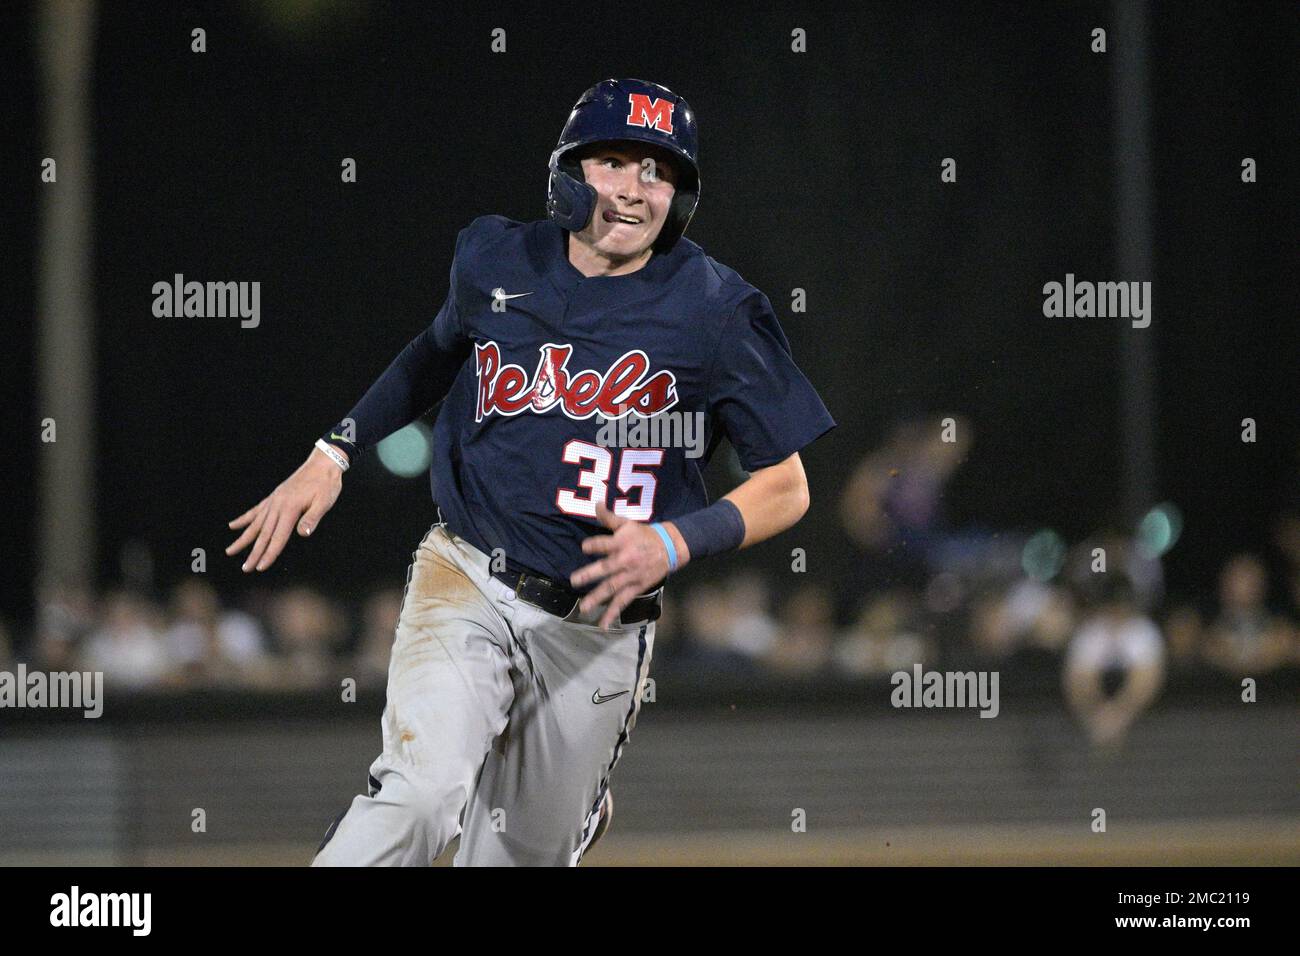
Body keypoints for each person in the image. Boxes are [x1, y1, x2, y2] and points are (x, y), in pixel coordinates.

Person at [227, 78, 835, 866]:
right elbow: (434, 355)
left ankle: (565, 809)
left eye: (658, 171)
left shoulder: (716, 310)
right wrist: (333, 450)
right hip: (470, 574)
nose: (634, 188)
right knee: (419, 800)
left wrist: (674, 543)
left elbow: (787, 486)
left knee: (510, 856)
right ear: (568, 173)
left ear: (679, 197)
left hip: (599, 630)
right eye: (615, 161)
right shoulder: (495, 256)